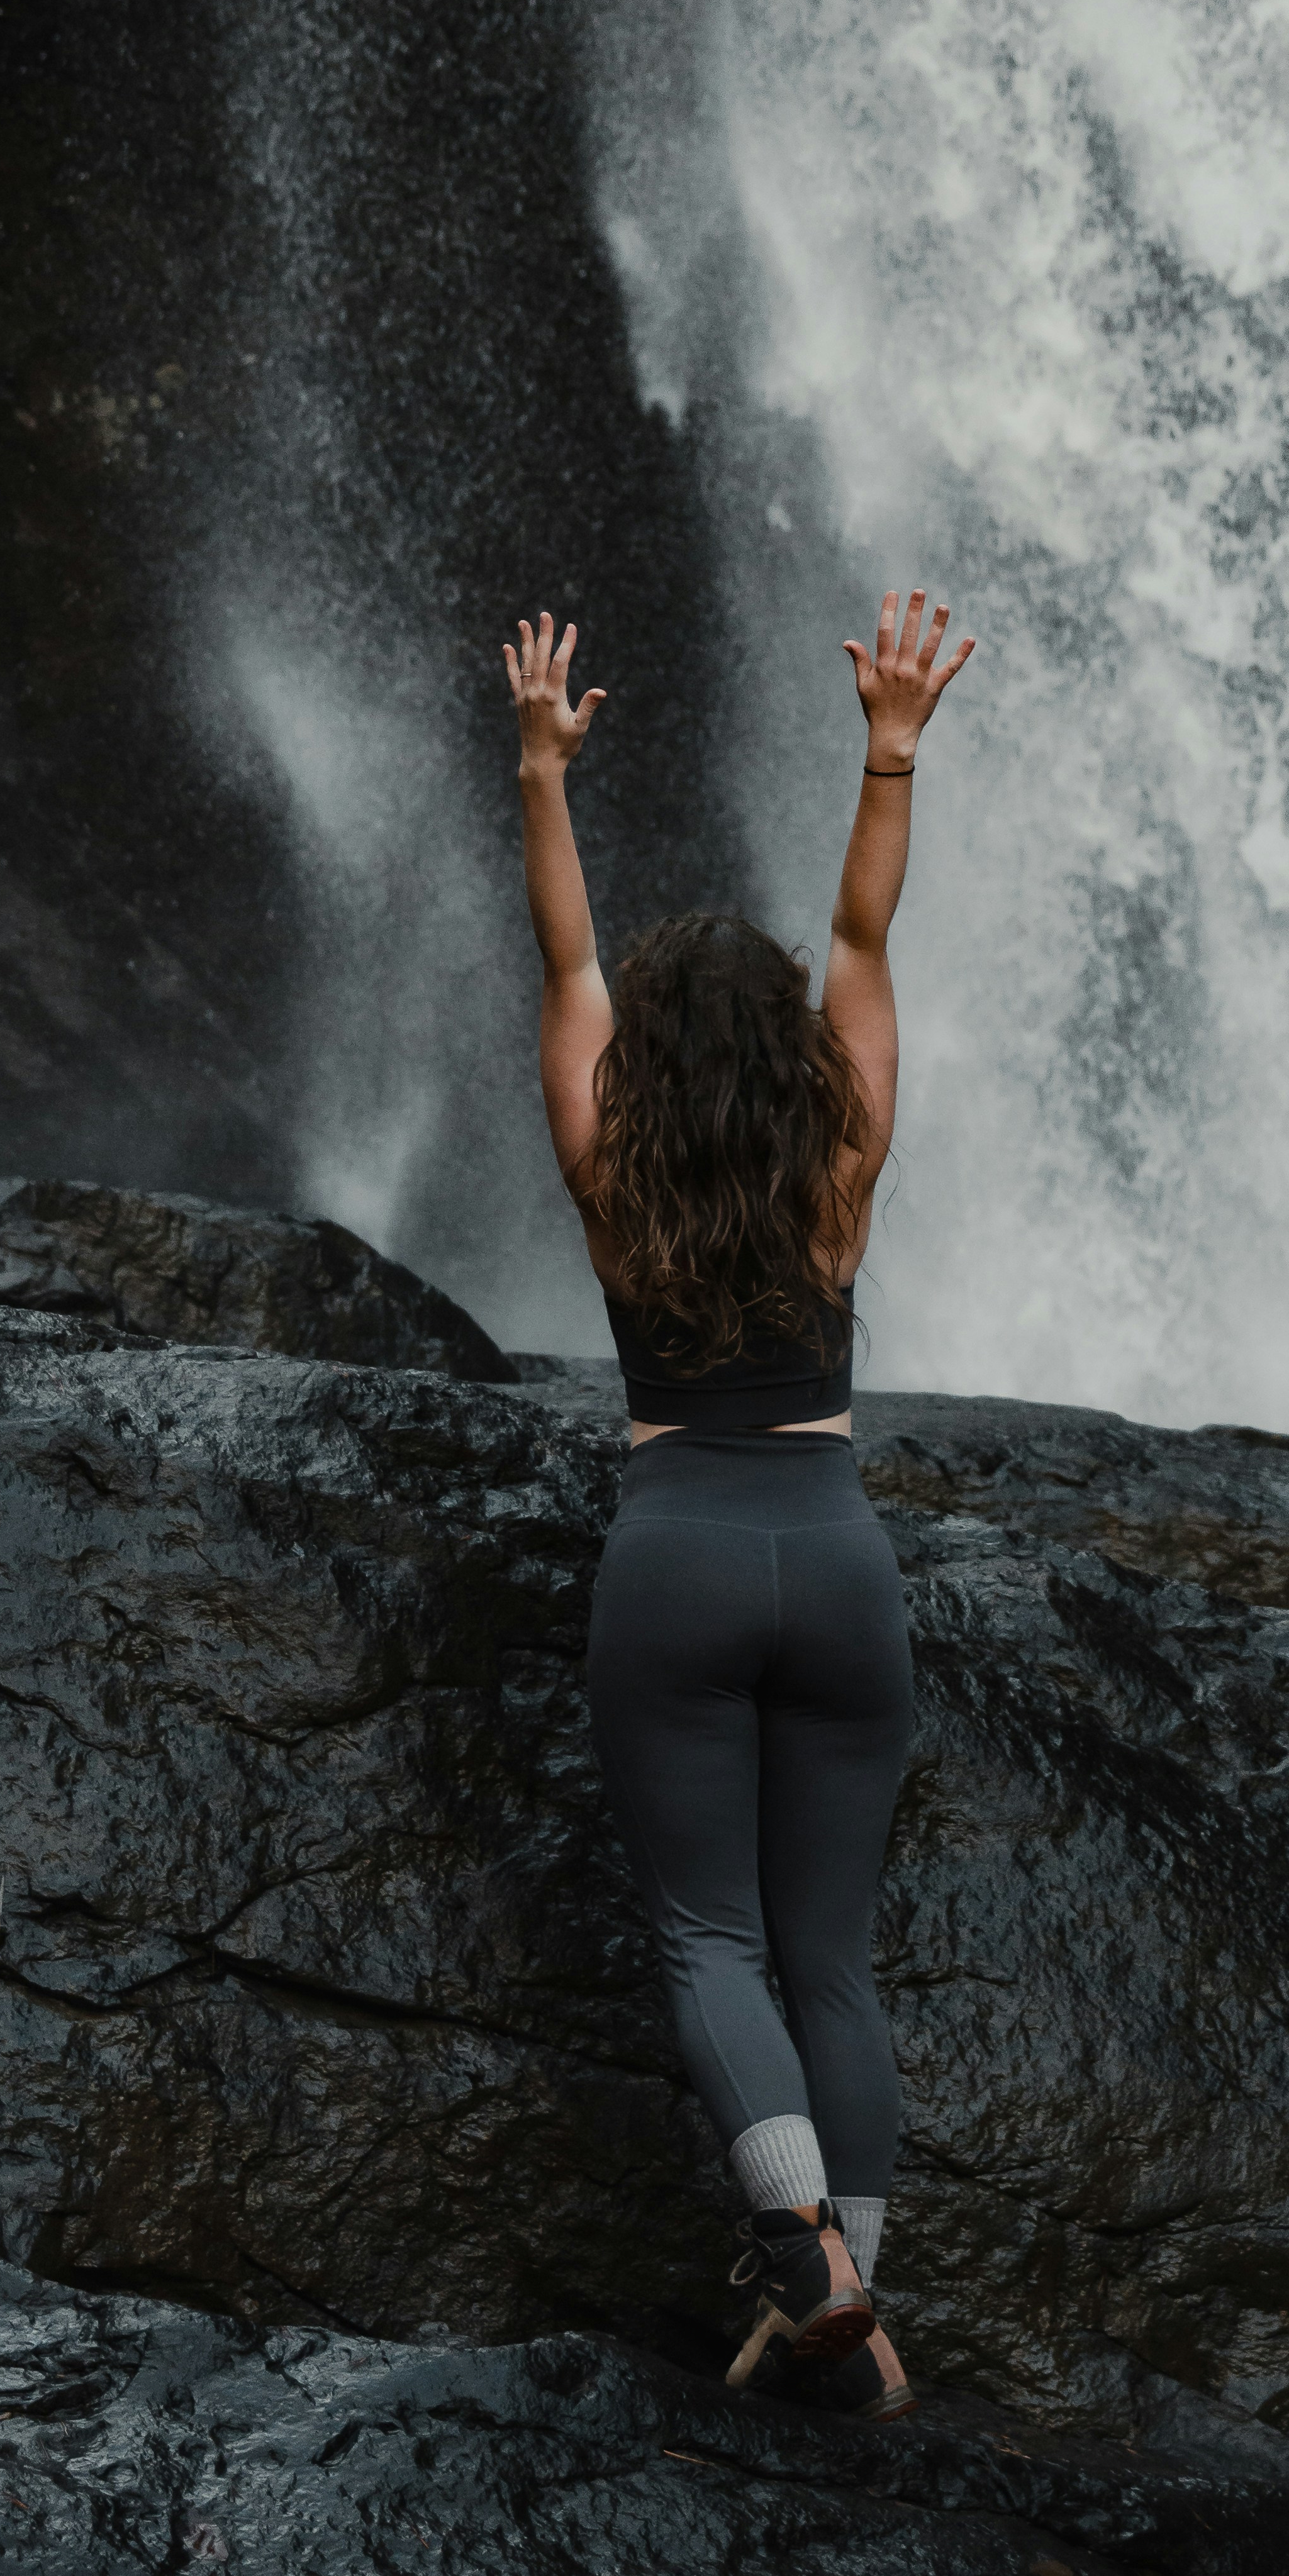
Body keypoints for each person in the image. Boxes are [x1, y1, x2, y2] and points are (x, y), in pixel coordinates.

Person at [502, 580, 973, 2410]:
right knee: (828, 1959)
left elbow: (567, 970)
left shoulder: (610, 1160)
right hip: (837, 1555)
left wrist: (546, 776)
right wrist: (890, 749)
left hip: (678, 1551)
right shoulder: (840, 1159)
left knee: (708, 1938)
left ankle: (808, 2264)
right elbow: (864, 931)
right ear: (786, 1062)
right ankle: (845, 2307)